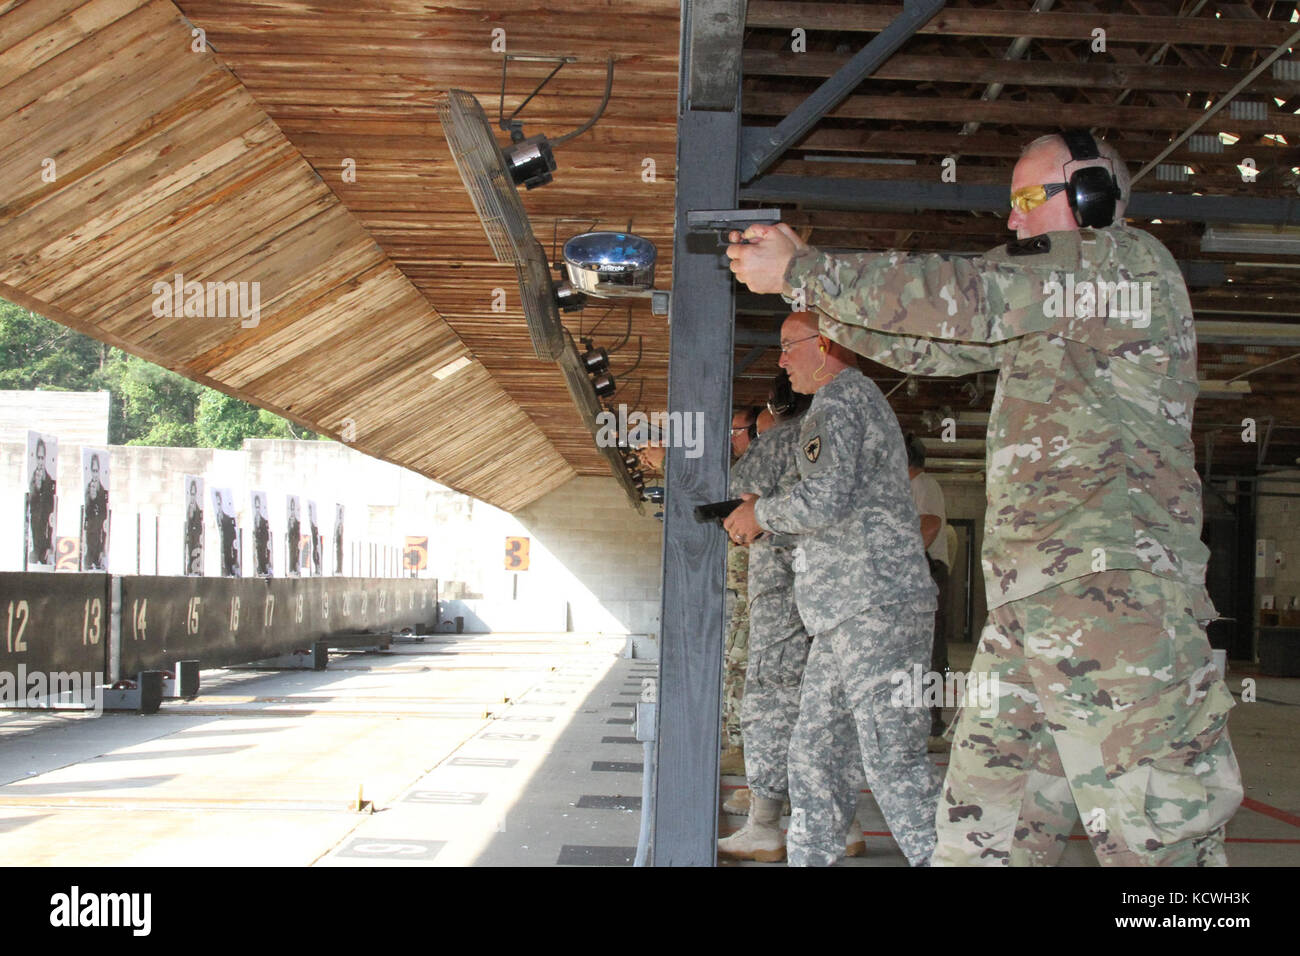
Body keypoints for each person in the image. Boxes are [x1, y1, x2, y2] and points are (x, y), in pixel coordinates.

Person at [726, 131, 1242, 867]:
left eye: (1031, 199)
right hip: (1028, 610)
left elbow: (970, 294)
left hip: (1116, 598)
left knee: (1162, 845)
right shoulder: (1048, 311)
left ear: (1092, 193)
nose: (1014, 220)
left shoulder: (1125, 265)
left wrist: (808, 270)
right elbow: (931, 343)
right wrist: (808, 290)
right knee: (977, 836)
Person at [724, 313, 940, 867]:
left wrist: (760, 513)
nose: (780, 359)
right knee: (814, 754)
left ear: (824, 346)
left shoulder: (840, 401)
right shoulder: (841, 402)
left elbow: (825, 498)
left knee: (894, 759)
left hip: (875, 607)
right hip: (843, 614)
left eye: (787, 346)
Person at [719, 370, 871, 862]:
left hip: (782, 594)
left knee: (771, 699)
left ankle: (764, 824)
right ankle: (841, 823)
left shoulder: (782, 442)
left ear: (775, 406)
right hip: (838, 594)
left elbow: (739, 502)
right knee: (827, 705)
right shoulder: (850, 434)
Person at [721, 406, 760, 776]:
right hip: (747, 589)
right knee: (736, 663)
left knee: (743, 666)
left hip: (761, 588)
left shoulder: (762, 468)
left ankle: (745, 746)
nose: (732, 440)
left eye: (737, 432)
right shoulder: (745, 469)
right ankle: (738, 741)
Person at [905, 434, 950, 745]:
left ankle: (932, 719)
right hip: (917, 572)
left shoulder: (923, 484)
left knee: (931, 646)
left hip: (927, 571)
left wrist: (902, 562)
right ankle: (916, 712)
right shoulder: (909, 486)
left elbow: (931, 524)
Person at [28, 438, 56, 564]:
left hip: (45, 537)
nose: (40, 461)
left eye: (42, 457)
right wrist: (36, 487)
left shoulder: (50, 482)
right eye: (38, 458)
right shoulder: (32, 481)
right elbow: (30, 505)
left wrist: (50, 542)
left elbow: (51, 514)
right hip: (34, 538)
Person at [83, 453, 109, 571]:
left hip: (100, 538)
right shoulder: (88, 491)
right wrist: (92, 500)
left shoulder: (103, 492)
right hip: (91, 537)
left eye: (96, 471)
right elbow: (87, 513)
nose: (95, 474)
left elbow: (105, 517)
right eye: (93, 471)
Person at [184, 479, 203, 575]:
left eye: (194, 493)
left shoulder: (199, 509)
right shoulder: (189, 509)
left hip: (197, 539)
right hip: (190, 539)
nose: (192, 496)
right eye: (191, 493)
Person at [253, 493, 271, 576]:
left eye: (258, 507)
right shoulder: (253, 521)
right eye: (255, 507)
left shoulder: (263, 522)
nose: (257, 509)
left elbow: (267, 542)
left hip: (262, 555)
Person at [287, 497, 301, 575]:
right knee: (291, 557)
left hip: (295, 544)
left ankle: (294, 569)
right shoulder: (289, 520)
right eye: (291, 509)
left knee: (294, 557)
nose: (292, 511)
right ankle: (292, 569)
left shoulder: (296, 522)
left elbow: (297, 534)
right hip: (290, 543)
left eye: (293, 509)